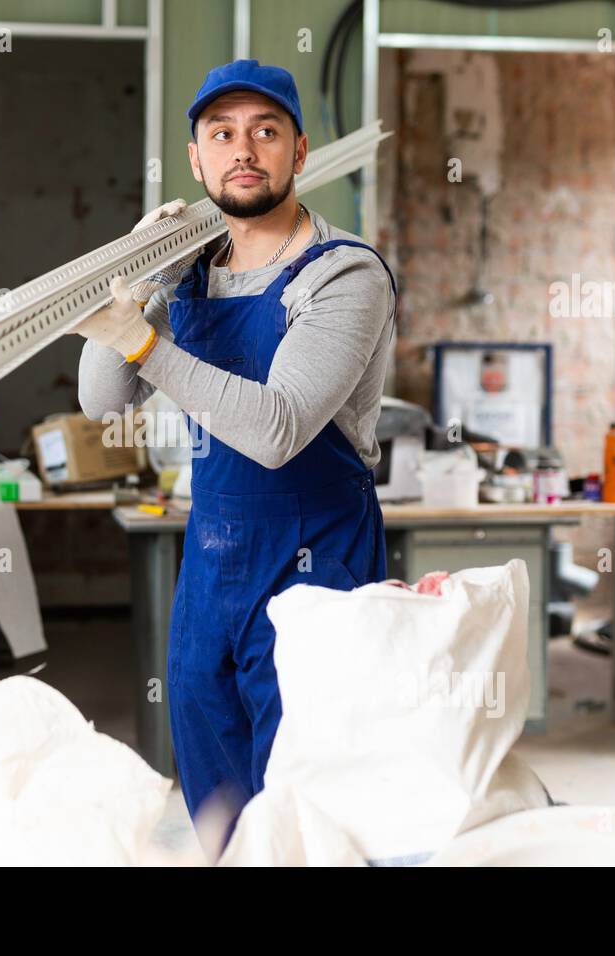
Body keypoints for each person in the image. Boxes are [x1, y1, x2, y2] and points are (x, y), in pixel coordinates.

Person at [74, 59, 396, 848]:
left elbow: (279, 429)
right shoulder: (193, 274)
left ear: (298, 151)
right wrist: (140, 269)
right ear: (197, 159)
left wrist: (145, 340)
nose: (242, 149)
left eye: (264, 131)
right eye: (222, 134)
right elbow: (102, 401)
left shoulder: (342, 272)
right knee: (218, 805)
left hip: (317, 564)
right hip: (212, 569)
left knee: (307, 805)